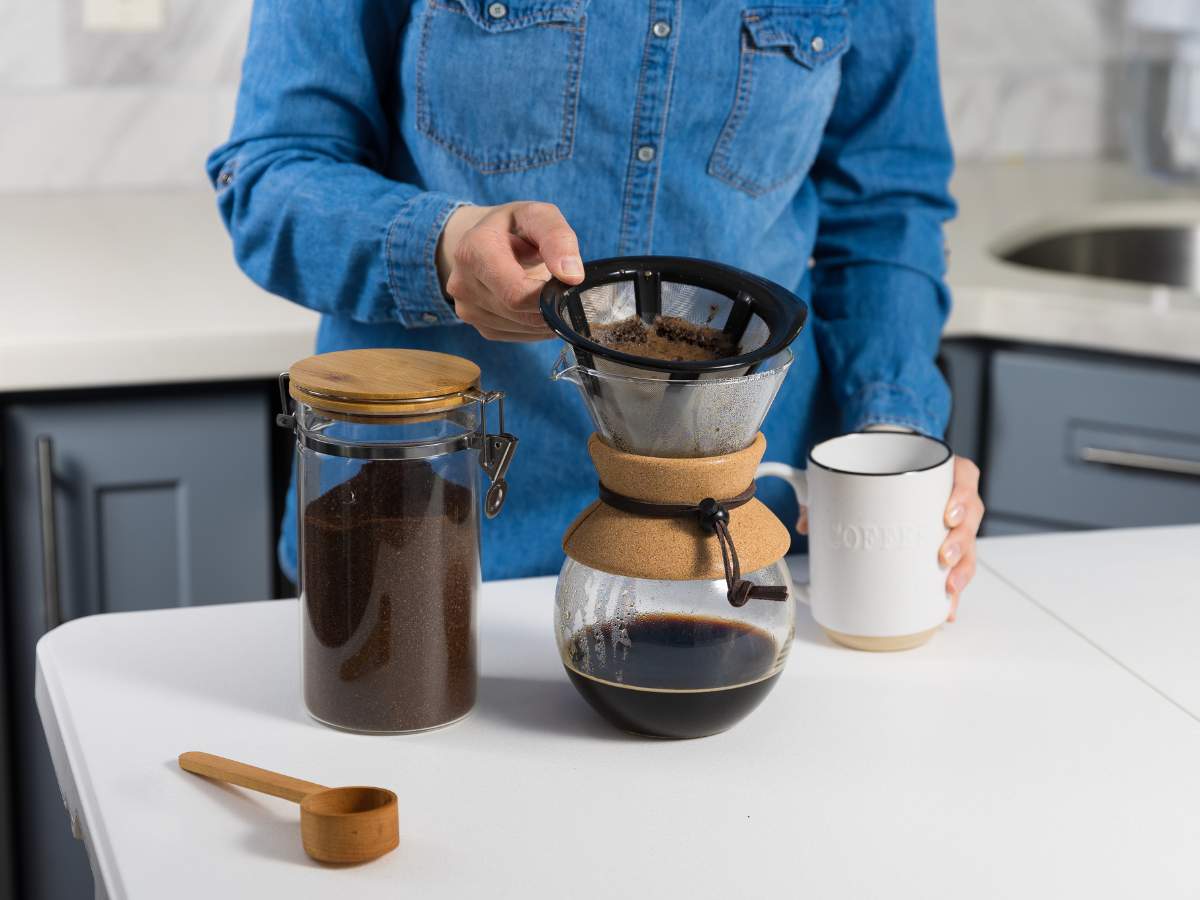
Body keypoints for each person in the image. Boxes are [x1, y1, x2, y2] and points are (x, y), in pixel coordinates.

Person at [209, 0, 984, 618]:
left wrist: (892, 443)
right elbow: (272, 170)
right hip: (427, 540)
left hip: (741, 558)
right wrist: (444, 249)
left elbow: (887, 210)